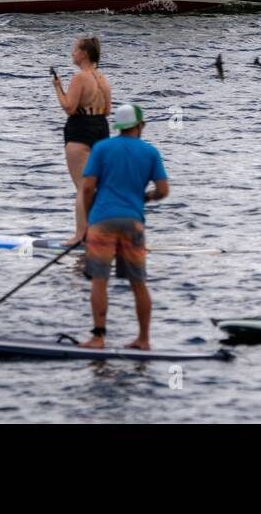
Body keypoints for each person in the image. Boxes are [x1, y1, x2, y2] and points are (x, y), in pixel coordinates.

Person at [78, 103, 168, 350]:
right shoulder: (150, 152)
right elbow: (163, 191)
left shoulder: (102, 148)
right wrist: (145, 198)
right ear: (139, 126)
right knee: (138, 283)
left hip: (102, 221)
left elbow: (87, 188)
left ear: (119, 126)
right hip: (133, 222)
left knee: (99, 280)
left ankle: (98, 337)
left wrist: (88, 221)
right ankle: (144, 339)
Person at [53, 37, 113, 245]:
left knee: (82, 186)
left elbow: (69, 107)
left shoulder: (80, 78)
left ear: (84, 54)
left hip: (80, 129)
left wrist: (58, 88)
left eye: (75, 50)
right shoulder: (102, 78)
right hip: (101, 129)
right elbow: (108, 110)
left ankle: (80, 235)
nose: (72, 54)